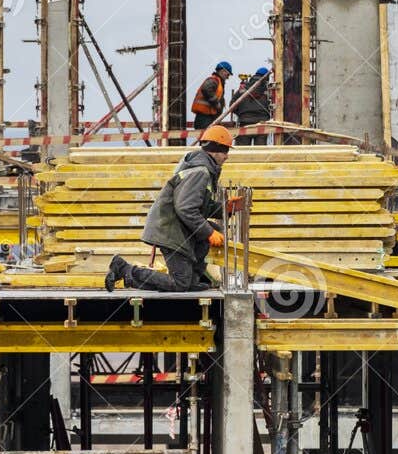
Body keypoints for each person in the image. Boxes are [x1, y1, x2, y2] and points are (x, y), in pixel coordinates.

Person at [105, 125, 231, 293]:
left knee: (213, 230)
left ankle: (192, 278)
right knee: (180, 284)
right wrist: (208, 232)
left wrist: (225, 208)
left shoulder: (201, 168)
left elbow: (200, 205)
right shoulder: (200, 172)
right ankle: (125, 269)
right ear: (215, 151)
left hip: (175, 227)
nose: (227, 156)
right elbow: (186, 209)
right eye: (225, 152)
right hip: (169, 229)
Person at [232, 66, 273, 144]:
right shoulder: (268, 90)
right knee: (259, 152)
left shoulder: (242, 89)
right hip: (262, 124)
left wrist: (241, 114)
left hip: (244, 123)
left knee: (242, 151)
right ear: (266, 77)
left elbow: (232, 106)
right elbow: (274, 107)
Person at [191, 61, 233, 130]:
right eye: (228, 75)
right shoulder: (214, 80)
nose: (228, 77)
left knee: (212, 139)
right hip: (204, 118)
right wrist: (216, 103)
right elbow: (206, 89)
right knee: (208, 139)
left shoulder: (218, 82)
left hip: (210, 118)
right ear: (223, 71)